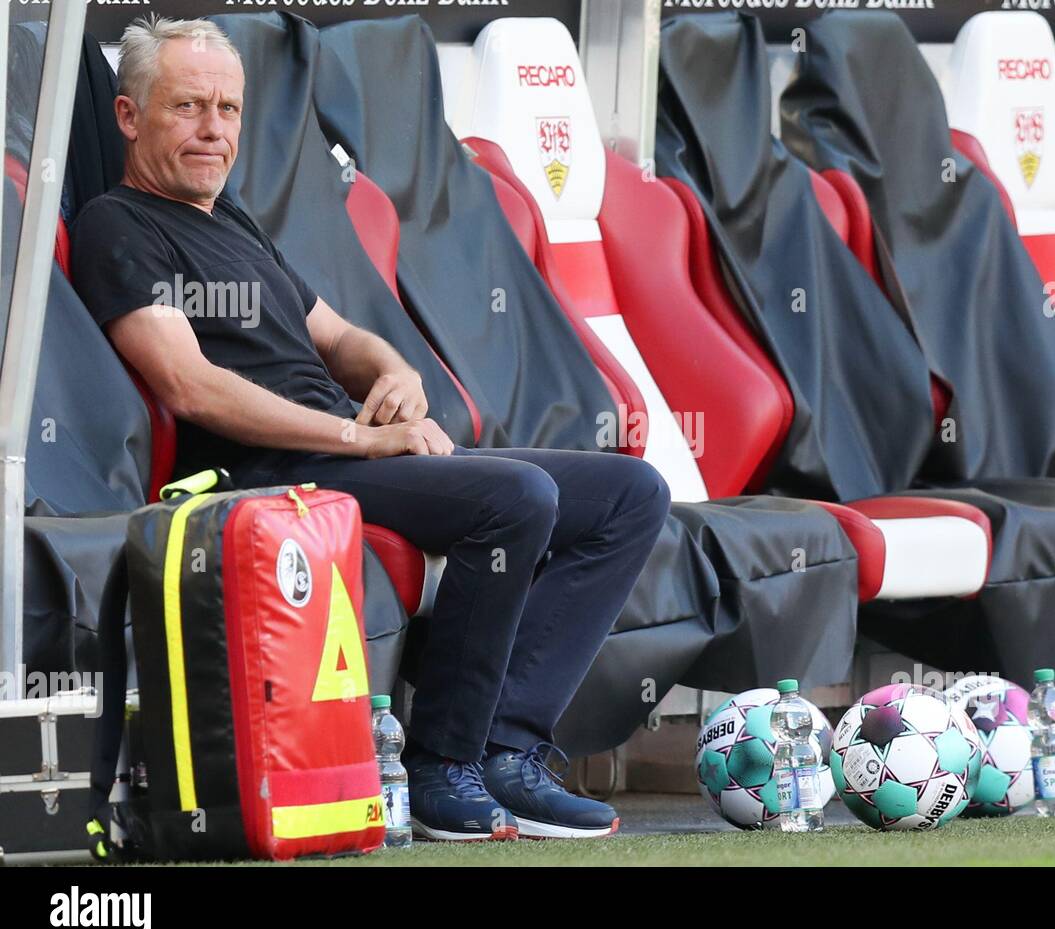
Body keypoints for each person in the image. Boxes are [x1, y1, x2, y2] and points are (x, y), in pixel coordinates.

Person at [69, 15, 670, 841]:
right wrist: (363, 437)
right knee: (516, 498)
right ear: (130, 117)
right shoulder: (118, 225)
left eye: (229, 109)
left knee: (631, 493)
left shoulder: (234, 222)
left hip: (341, 453)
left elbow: (341, 337)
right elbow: (192, 386)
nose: (214, 131)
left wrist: (396, 374)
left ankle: (507, 750)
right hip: (266, 478)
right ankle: (441, 769)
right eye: (188, 108)